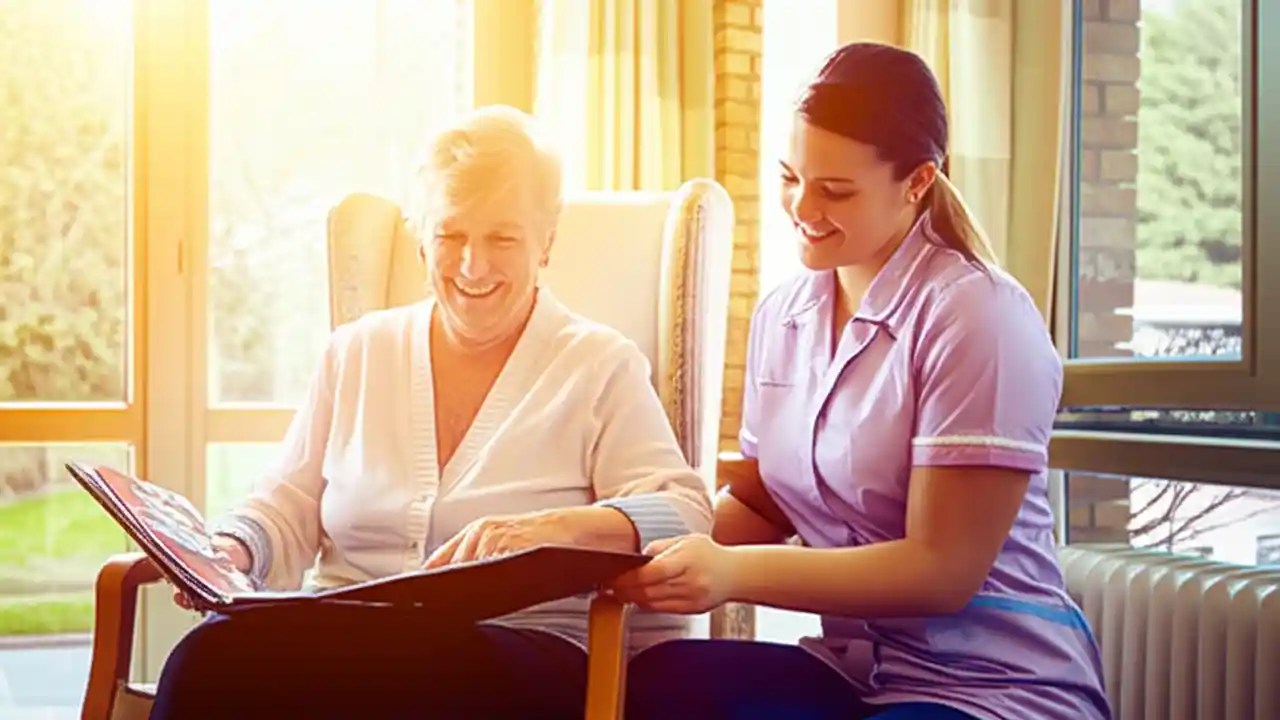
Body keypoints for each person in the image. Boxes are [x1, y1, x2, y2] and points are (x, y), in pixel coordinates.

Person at [148, 105, 712, 719]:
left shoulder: (598, 364)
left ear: (546, 239)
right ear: (422, 234)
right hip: (344, 636)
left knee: (421, 674)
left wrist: (553, 529)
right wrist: (229, 551)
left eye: (502, 238)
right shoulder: (356, 352)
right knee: (208, 657)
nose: (473, 266)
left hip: (518, 656)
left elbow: (684, 512)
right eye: (451, 235)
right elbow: (286, 505)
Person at [611, 42, 1112, 720]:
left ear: (917, 182)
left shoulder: (979, 315)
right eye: (791, 177)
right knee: (662, 681)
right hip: (855, 675)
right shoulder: (783, 316)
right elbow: (764, 506)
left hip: (993, 684)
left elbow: (942, 571)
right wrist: (628, 543)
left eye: (835, 190)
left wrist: (729, 575)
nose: (802, 206)